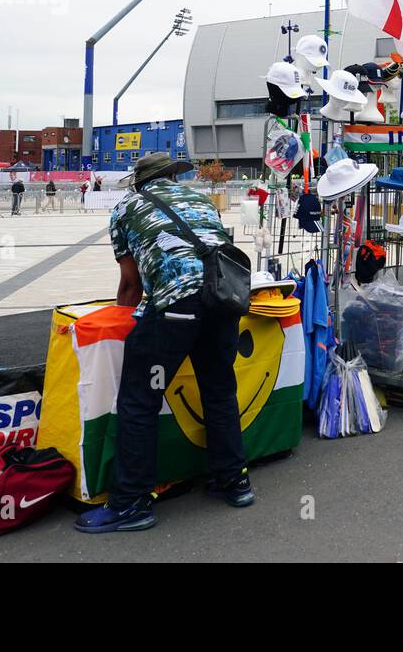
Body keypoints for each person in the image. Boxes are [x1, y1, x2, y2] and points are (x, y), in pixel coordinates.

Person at [76, 151, 254, 533]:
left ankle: (130, 504)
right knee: (219, 389)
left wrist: (122, 321)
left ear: (139, 181)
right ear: (173, 177)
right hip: (224, 301)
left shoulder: (127, 209)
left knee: (140, 398)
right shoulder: (200, 198)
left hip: (175, 308)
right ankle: (234, 481)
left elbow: (131, 283)